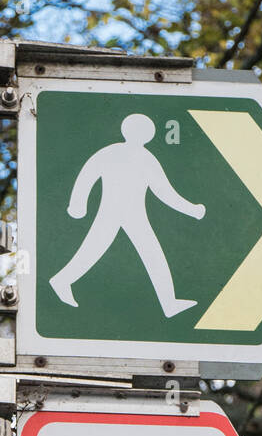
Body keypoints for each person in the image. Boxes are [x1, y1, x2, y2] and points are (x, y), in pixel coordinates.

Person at [49, 113, 206, 317]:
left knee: (150, 254)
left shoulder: (143, 158)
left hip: (134, 215)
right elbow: (88, 174)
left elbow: (165, 192)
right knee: (94, 251)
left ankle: (169, 303)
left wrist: (192, 209)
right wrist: (77, 204)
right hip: (112, 212)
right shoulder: (120, 154)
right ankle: (61, 281)